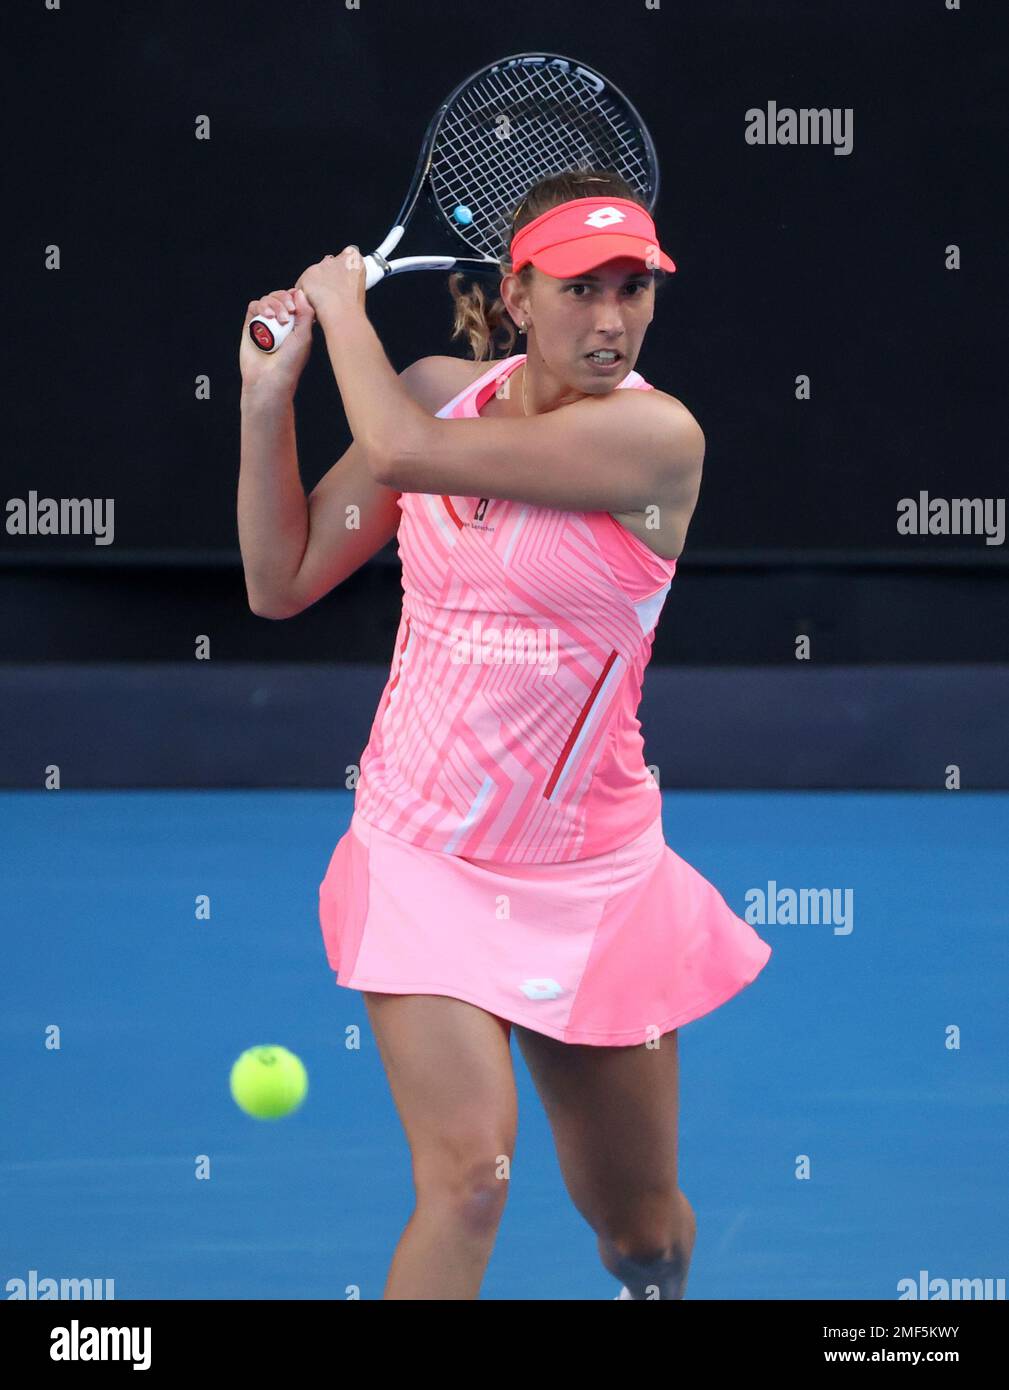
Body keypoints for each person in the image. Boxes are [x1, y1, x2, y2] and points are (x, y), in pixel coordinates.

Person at [237, 168, 772, 1301]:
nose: (613, 317)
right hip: (417, 846)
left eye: (635, 288)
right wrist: (266, 401)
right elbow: (281, 578)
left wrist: (340, 307)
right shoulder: (436, 391)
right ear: (517, 295)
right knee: (471, 1177)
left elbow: (397, 452)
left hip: (591, 878)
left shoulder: (654, 440)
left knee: (643, 1236)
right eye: (580, 289)